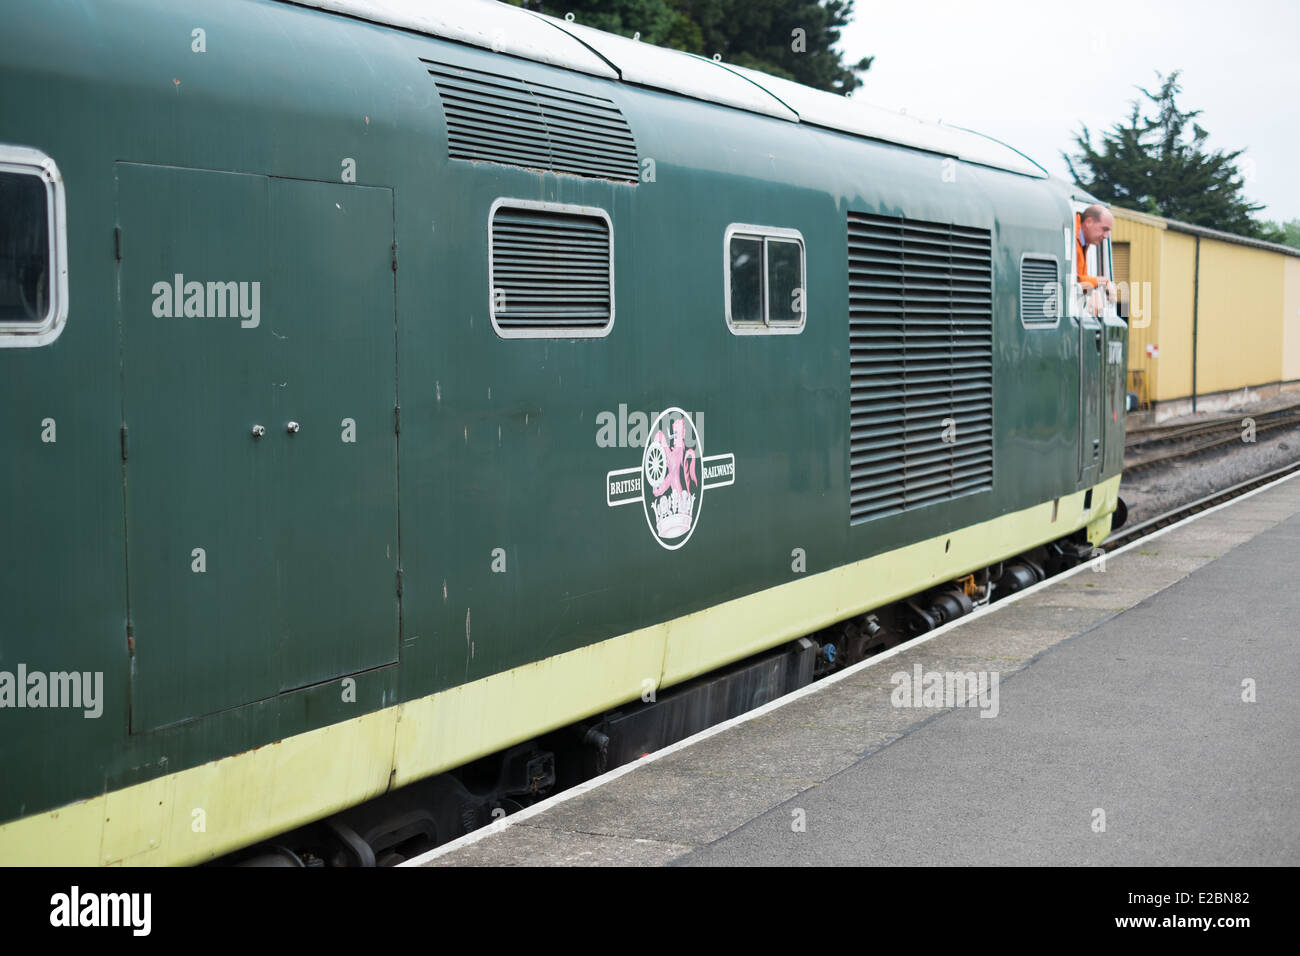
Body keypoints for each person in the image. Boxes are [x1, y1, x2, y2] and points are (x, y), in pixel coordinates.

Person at [1075, 204, 1118, 313]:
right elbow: (1075, 280)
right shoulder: (1073, 240)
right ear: (1089, 222)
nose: (1106, 236)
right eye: (1104, 229)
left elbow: (1081, 280)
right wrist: (1103, 282)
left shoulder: (1084, 242)